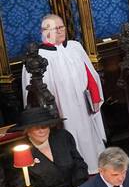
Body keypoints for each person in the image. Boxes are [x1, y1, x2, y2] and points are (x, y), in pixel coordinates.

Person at [21, 14, 107, 166]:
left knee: (89, 139)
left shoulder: (75, 46)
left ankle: (94, 166)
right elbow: (32, 92)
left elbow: (90, 74)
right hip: (59, 107)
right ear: (45, 31)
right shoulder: (37, 57)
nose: (60, 31)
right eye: (55, 28)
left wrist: (94, 96)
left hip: (82, 104)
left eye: (62, 27)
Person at [6, 106, 87, 187]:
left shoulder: (63, 137)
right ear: (27, 131)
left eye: (44, 126)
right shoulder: (19, 150)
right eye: (36, 128)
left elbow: (79, 164)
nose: (41, 131)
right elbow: (18, 184)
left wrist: (80, 186)